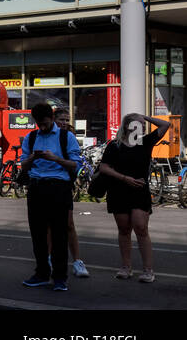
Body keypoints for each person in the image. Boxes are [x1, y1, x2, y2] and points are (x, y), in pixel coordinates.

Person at [97, 112, 169, 283]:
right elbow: (104, 167)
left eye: (142, 125)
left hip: (139, 191)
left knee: (141, 227)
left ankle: (148, 270)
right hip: (119, 190)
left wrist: (144, 117)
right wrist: (124, 178)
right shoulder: (115, 145)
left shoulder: (145, 141)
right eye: (137, 124)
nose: (142, 127)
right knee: (123, 229)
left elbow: (165, 126)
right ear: (127, 126)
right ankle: (126, 267)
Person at [19, 102, 81, 291]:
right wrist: (32, 158)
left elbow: (76, 165)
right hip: (36, 188)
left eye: (45, 123)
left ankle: (60, 277)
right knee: (37, 234)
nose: (42, 127)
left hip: (58, 188)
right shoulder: (30, 137)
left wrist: (54, 158)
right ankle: (42, 273)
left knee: (59, 234)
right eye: (39, 124)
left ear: (52, 118)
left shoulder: (66, 137)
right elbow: (23, 165)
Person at [51, 109, 87, 278]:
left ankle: (78, 261)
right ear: (53, 120)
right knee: (49, 226)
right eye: (61, 119)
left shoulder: (69, 137)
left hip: (65, 184)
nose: (64, 122)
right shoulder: (45, 136)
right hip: (48, 184)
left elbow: (76, 162)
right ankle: (50, 259)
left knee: (68, 224)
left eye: (66, 119)